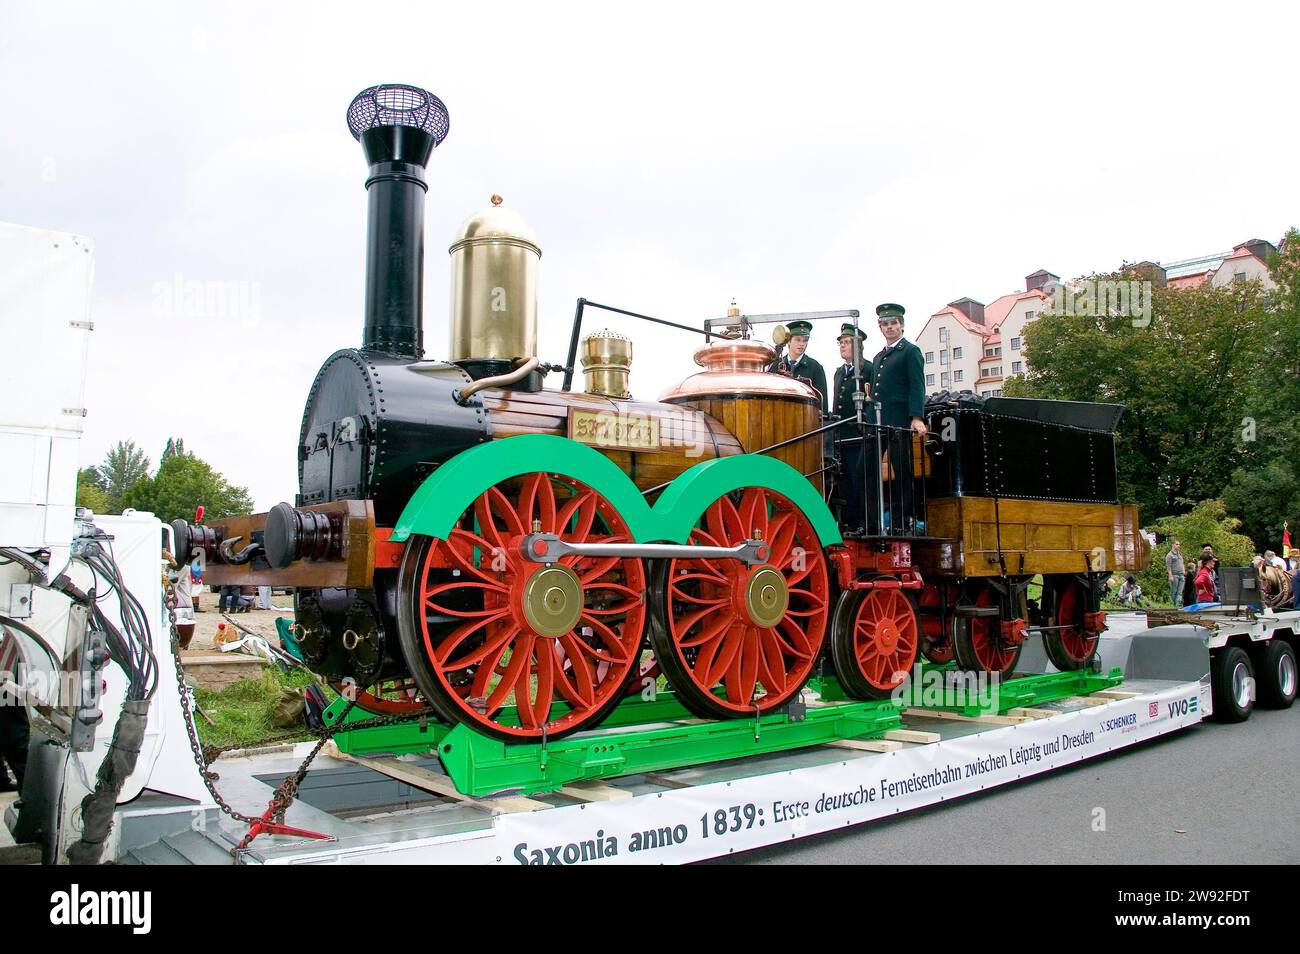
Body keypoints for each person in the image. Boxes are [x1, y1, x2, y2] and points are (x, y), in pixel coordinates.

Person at [868, 303, 927, 531]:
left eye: (894, 323)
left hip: (899, 421)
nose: (890, 327)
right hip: (878, 422)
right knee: (868, 469)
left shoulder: (910, 351)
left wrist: (916, 417)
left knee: (901, 470)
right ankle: (872, 521)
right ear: (880, 327)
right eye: (886, 324)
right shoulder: (878, 356)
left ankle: (902, 520)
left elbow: (917, 386)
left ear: (901, 325)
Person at [832, 323, 873, 531]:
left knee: (859, 480)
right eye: (841, 342)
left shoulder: (867, 369)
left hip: (858, 434)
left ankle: (862, 521)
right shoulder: (839, 372)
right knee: (844, 480)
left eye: (847, 342)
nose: (842, 346)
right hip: (842, 433)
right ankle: (848, 521)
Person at [769, 319, 827, 415]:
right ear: (788, 341)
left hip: (806, 420)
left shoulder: (815, 367)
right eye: (797, 340)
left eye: (805, 340)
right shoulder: (777, 365)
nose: (802, 344)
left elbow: (822, 402)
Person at [1165, 539, 1185, 608]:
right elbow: (1168, 566)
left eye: (1179, 544)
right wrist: (1170, 575)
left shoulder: (1180, 554)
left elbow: (1182, 563)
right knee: (1174, 591)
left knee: (1180, 592)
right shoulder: (1169, 555)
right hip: (1174, 575)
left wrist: (1184, 571)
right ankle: (1173, 605)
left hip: (1181, 575)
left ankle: (1178, 605)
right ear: (1173, 545)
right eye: (1177, 544)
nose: (1178, 546)